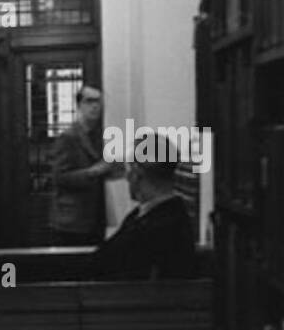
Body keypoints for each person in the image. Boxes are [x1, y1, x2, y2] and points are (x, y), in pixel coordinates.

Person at [84, 145, 198, 280]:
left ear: (136, 174)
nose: (126, 176)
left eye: (128, 169)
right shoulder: (168, 213)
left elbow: (104, 266)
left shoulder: (153, 227)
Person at [49, 85, 119, 245]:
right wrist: (94, 171)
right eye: (90, 101)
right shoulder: (68, 137)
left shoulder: (99, 136)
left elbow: (101, 169)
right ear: (79, 105)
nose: (95, 106)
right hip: (71, 222)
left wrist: (114, 169)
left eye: (99, 102)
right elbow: (59, 177)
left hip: (95, 218)